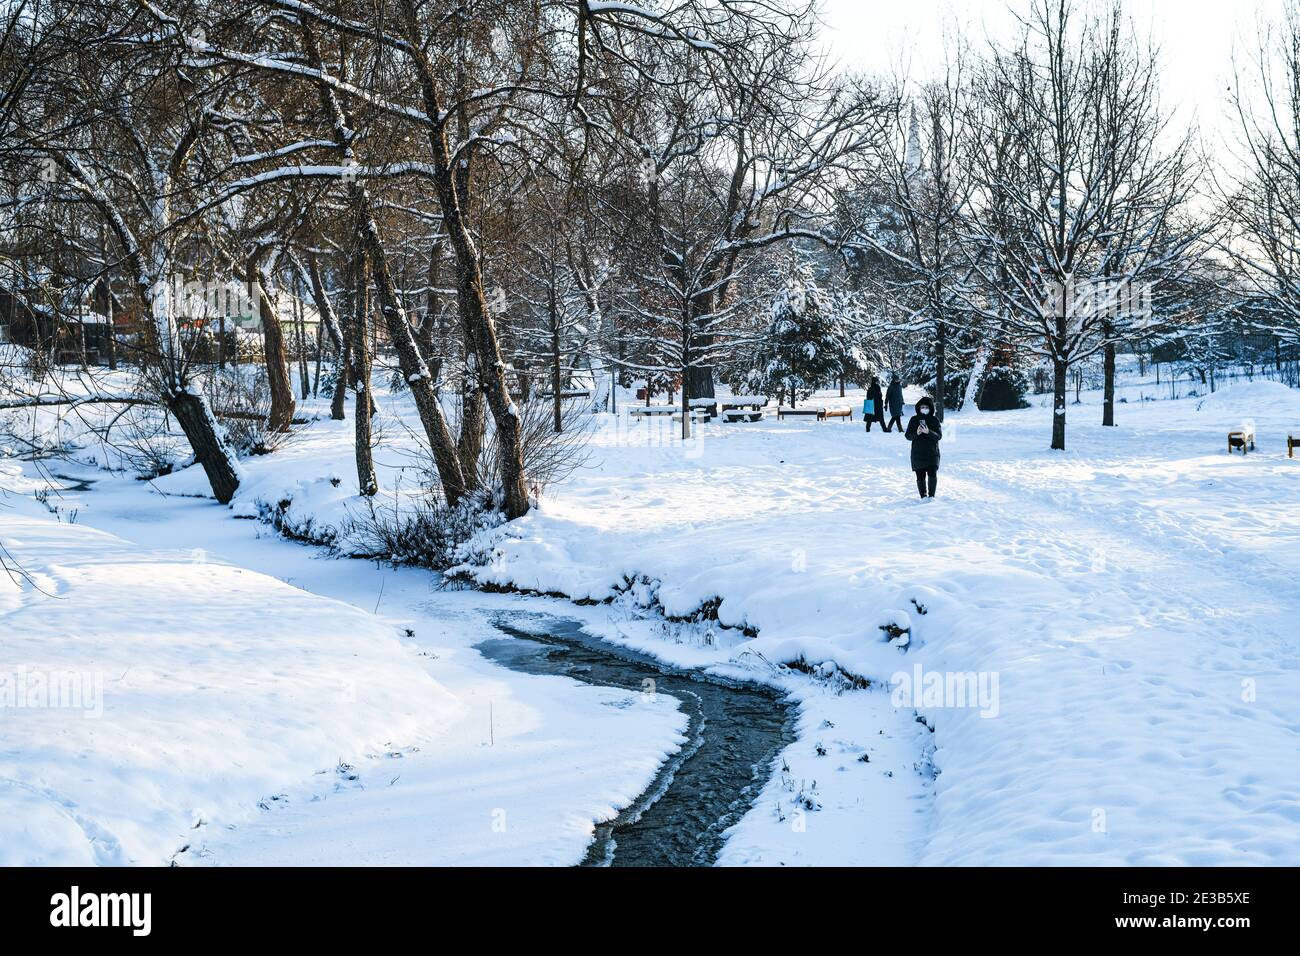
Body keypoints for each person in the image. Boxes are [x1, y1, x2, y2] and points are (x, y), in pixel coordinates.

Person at [904, 396, 942, 498]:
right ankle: (923, 497)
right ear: (919, 408)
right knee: (920, 476)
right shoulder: (914, 419)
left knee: (932, 474)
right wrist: (916, 433)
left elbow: (939, 436)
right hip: (918, 454)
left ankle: (932, 497)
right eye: (922, 407)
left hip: (932, 453)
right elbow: (908, 436)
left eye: (926, 407)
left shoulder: (934, 420)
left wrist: (928, 432)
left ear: (930, 408)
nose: (924, 409)